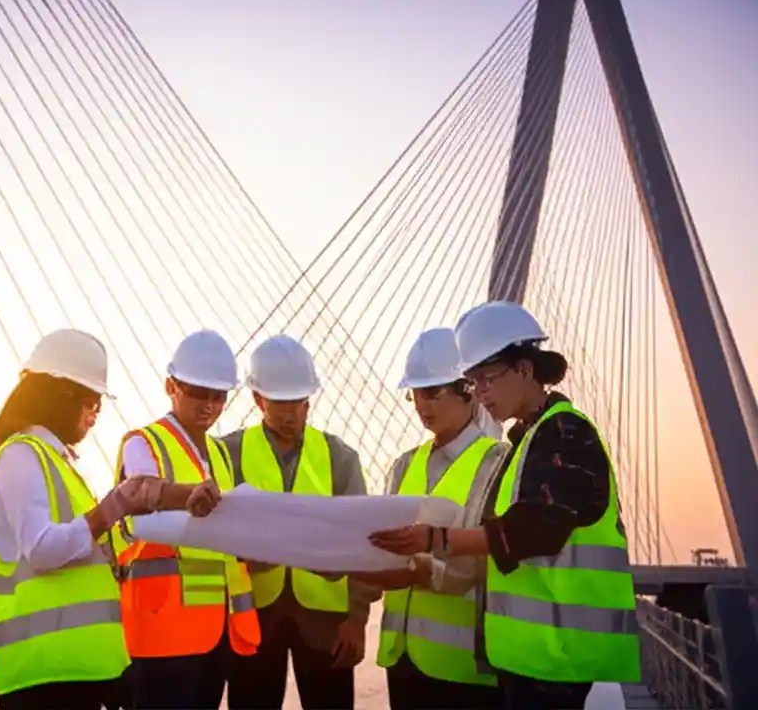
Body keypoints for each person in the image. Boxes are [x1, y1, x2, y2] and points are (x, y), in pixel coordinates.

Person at [369, 302, 640, 710]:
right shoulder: (528, 441)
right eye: (473, 381)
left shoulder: (565, 434)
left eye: (487, 379)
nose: (480, 393)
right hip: (530, 654)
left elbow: (532, 531)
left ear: (526, 371)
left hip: (557, 654)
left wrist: (434, 539)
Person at [0, 328, 168, 710]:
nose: (94, 415)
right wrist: (109, 509)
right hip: (50, 674)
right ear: (59, 396)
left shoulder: (57, 463)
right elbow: (42, 550)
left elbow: (87, 550)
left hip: (89, 667)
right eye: (91, 403)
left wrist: (126, 519)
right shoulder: (21, 456)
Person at [352, 327, 506, 710]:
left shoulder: (496, 463)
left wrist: (422, 571)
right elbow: (383, 545)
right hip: (402, 657)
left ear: (468, 389)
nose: (422, 405)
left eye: (433, 392)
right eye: (416, 394)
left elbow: (491, 555)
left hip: (463, 666)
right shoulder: (404, 465)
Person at [220, 334, 374, 710]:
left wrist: (357, 619)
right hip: (253, 619)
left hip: (327, 625)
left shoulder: (340, 457)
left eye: (298, 402)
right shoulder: (228, 453)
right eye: (280, 402)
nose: (291, 413)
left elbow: (363, 542)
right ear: (258, 400)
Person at [111, 329, 262, 709]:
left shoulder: (219, 453)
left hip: (216, 633)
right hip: (162, 632)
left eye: (218, 396)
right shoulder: (144, 443)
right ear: (171, 387)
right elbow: (137, 516)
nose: (209, 405)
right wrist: (190, 505)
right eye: (198, 393)